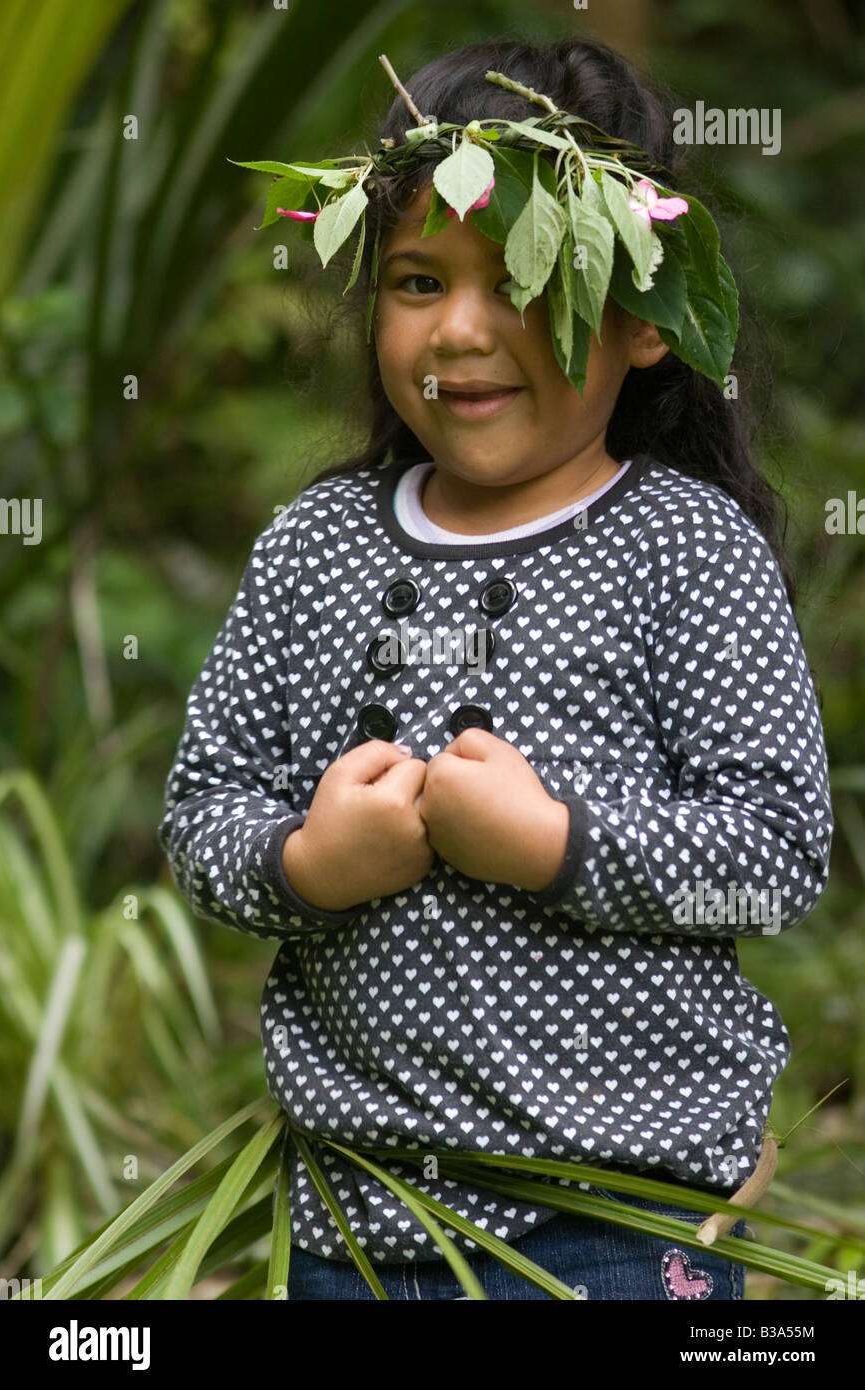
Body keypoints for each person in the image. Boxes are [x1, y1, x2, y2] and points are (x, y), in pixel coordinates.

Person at [157, 34, 833, 1300]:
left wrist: (552, 843)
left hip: (615, 1230)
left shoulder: (681, 545)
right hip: (358, 1227)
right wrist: (307, 864)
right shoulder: (316, 546)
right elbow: (202, 815)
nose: (458, 329)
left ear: (643, 318)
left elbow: (774, 855)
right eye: (416, 280)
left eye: (517, 277)